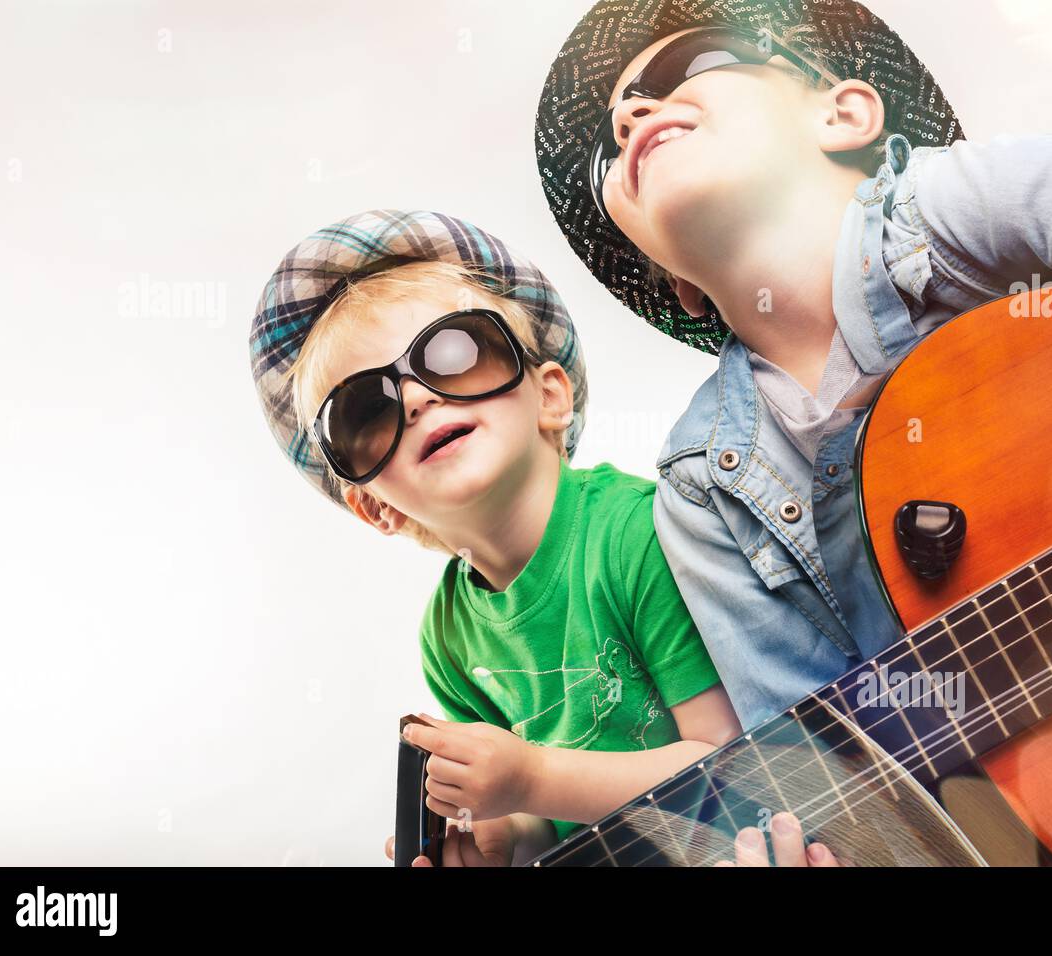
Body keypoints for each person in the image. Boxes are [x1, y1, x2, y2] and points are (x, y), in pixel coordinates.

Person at [534, 0, 1052, 731]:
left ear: (844, 115)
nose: (631, 115)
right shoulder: (701, 493)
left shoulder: (954, 207)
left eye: (686, 66)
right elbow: (823, 767)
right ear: (675, 282)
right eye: (609, 146)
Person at [249, 209, 742, 866]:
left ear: (549, 398)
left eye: (454, 352)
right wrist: (505, 836)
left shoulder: (637, 535)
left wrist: (530, 778)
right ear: (376, 508)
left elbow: (731, 763)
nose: (419, 399)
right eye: (367, 409)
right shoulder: (449, 634)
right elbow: (550, 819)